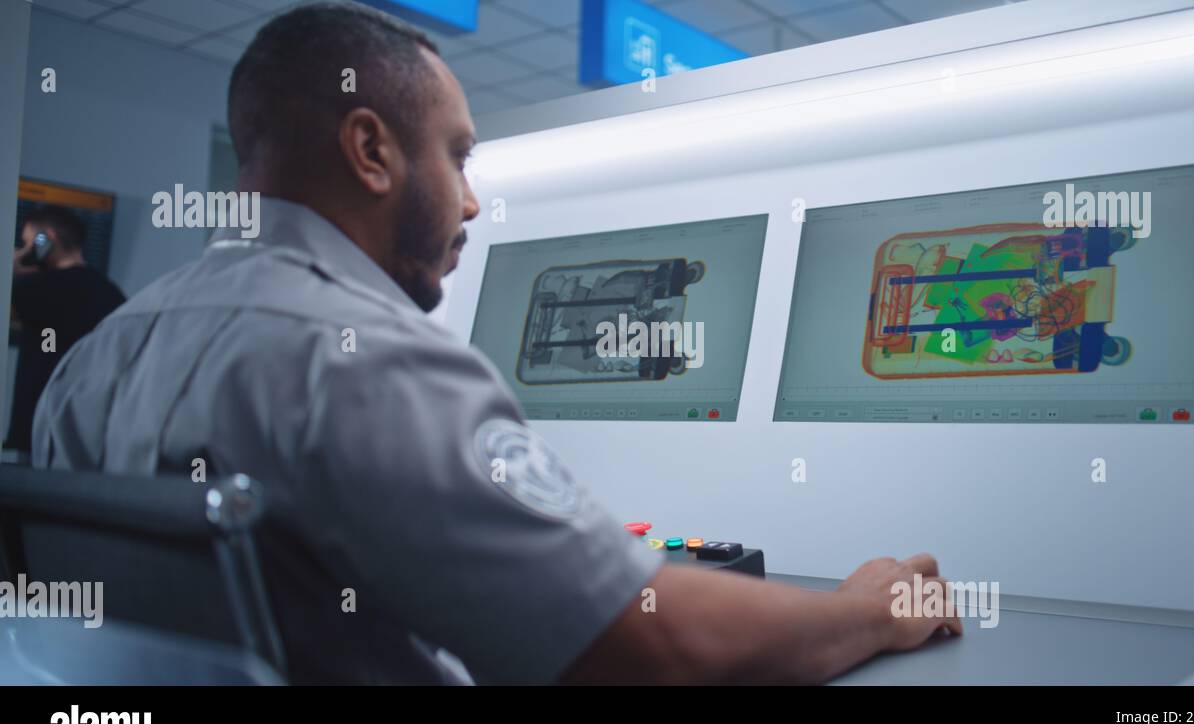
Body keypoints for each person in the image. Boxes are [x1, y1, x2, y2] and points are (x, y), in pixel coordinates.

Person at [32, 2, 960, 684]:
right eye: (459, 155)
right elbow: (646, 643)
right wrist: (868, 610)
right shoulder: (362, 362)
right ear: (371, 150)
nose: (472, 201)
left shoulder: (95, 358)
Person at [7, 205, 124, 456]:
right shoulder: (110, 293)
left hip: (37, 427)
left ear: (48, 239)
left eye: (29, 243)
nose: (26, 250)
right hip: (88, 429)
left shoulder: (35, 288)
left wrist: (11, 268)